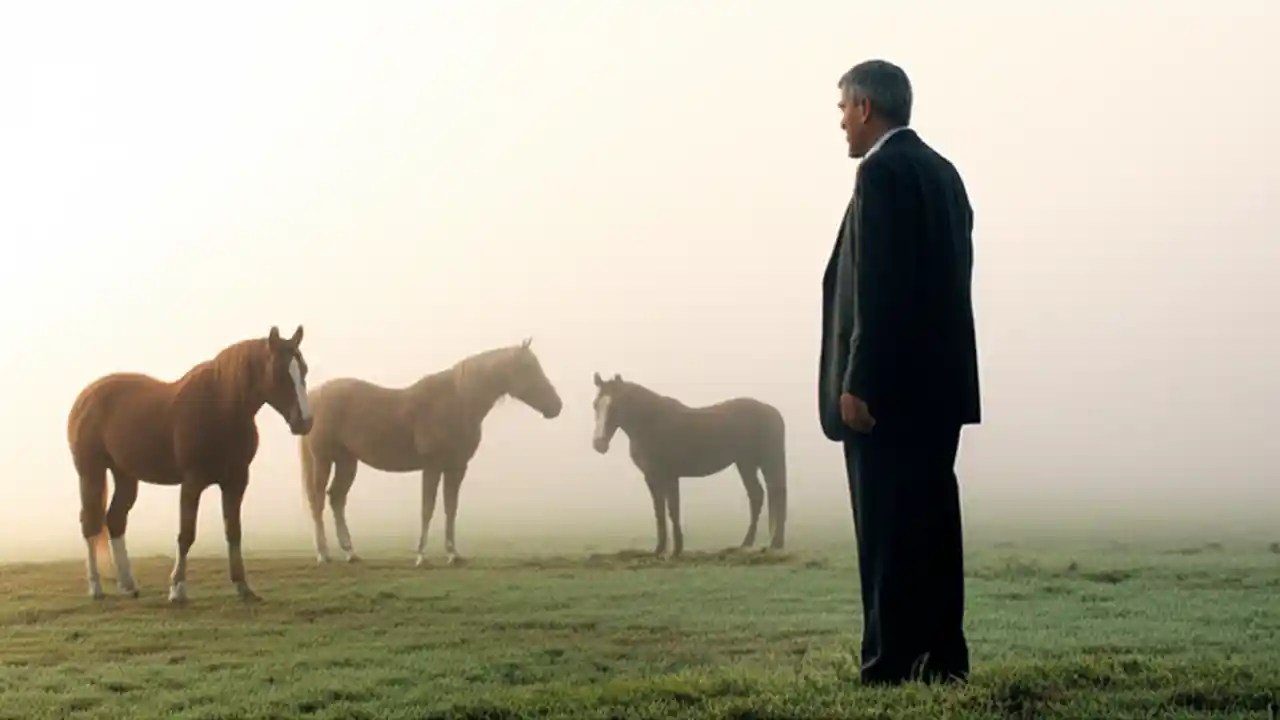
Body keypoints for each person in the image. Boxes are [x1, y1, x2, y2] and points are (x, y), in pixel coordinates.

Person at [817, 59, 981, 685]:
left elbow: (878, 285)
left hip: (887, 393)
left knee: (885, 533)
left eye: (841, 111)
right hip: (939, 391)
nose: (840, 125)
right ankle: (943, 660)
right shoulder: (946, 175)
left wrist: (859, 380)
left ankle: (887, 663)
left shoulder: (880, 172)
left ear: (864, 106)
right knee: (935, 526)